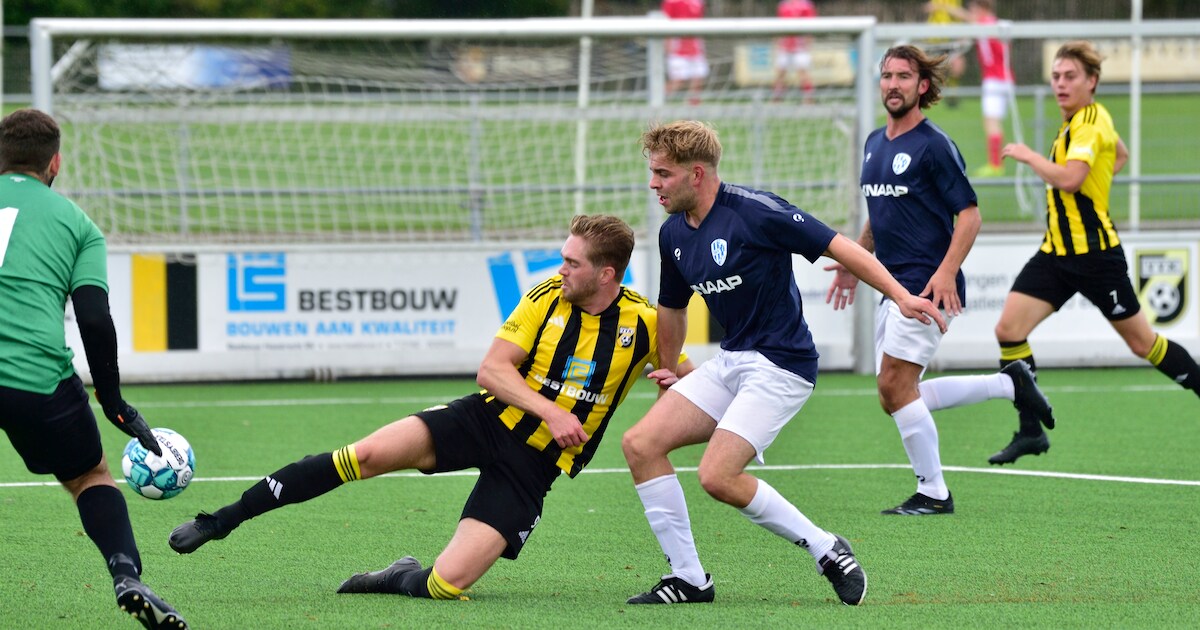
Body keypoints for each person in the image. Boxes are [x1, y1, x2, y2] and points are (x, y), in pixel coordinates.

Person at [168, 214, 695, 601]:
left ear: (607, 275)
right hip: (483, 420)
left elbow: (690, 377)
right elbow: (491, 371)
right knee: (364, 456)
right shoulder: (544, 298)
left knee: (447, 585)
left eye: (572, 263)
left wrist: (675, 381)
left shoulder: (645, 322)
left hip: (533, 466)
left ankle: (395, 575)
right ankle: (222, 520)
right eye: (562, 257)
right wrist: (555, 413)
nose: (560, 270)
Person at [620, 120, 947, 606]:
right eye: (652, 172)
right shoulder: (672, 234)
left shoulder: (756, 212)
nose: (653, 184)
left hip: (782, 366)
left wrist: (900, 296)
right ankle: (690, 579)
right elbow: (671, 307)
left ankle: (827, 548)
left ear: (696, 174)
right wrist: (670, 370)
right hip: (732, 361)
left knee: (717, 476)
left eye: (662, 174)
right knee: (641, 444)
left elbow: (841, 247)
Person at [824, 45, 1054, 517]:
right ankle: (1010, 384)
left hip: (928, 287)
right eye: (886, 75)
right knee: (898, 394)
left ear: (922, 86)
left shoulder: (933, 145)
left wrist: (946, 272)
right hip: (893, 286)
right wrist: (855, 259)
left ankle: (934, 492)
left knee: (894, 387)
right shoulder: (873, 142)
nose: (892, 84)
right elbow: (879, 214)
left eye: (903, 76)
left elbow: (969, 215)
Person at [0, 109, 188, 630]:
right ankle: (127, 575)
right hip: (32, 377)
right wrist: (114, 404)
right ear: (54, 162)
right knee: (88, 475)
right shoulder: (78, 225)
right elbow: (93, 319)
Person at [996, 40, 1200, 462]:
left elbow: (1070, 179)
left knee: (1143, 344)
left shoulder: (1090, 123)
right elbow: (1119, 154)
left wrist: (1031, 156)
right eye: (1055, 76)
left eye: (1070, 76)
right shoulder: (1079, 122)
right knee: (1009, 331)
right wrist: (1100, 176)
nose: (1060, 84)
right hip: (1055, 254)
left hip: (1095, 257)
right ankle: (1030, 431)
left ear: (1092, 81)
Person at [940, 0, 1015, 178]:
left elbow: (967, 19)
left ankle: (996, 165)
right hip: (1002, 78)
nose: (971, 12)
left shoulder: (986, 23)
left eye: (973, 8)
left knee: (991, 123)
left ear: (981, 8)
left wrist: (941, 7)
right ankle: (997, 163)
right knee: (994, 122)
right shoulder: (993, 25)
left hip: (995, 79)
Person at [661, 0, 708, 105]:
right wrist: (667, 44)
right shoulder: (671, 2)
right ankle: (658, 105)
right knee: (678, 80)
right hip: (677, 48)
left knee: (698, 80)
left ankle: (692, 115)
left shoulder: (698, 2)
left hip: (695, 47)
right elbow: (666, 22)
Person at [923, 0, 968, 108]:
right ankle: (928, 94)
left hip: (953, 37)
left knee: (957, 66)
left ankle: (953, 95)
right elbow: (927, 8)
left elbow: (962, 14)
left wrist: (947, 8)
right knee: (931, 68)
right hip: (935, 39)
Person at [773, 0, 818, 103]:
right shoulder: (783, 5)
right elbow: (779, 23)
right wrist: (778, 40)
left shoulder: (806, 5)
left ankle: (808, 98)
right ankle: (777, 98)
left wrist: (808, 40)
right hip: (785, 45)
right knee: (780, 72)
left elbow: (812, 24)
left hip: (800, 46)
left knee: (803, 72)